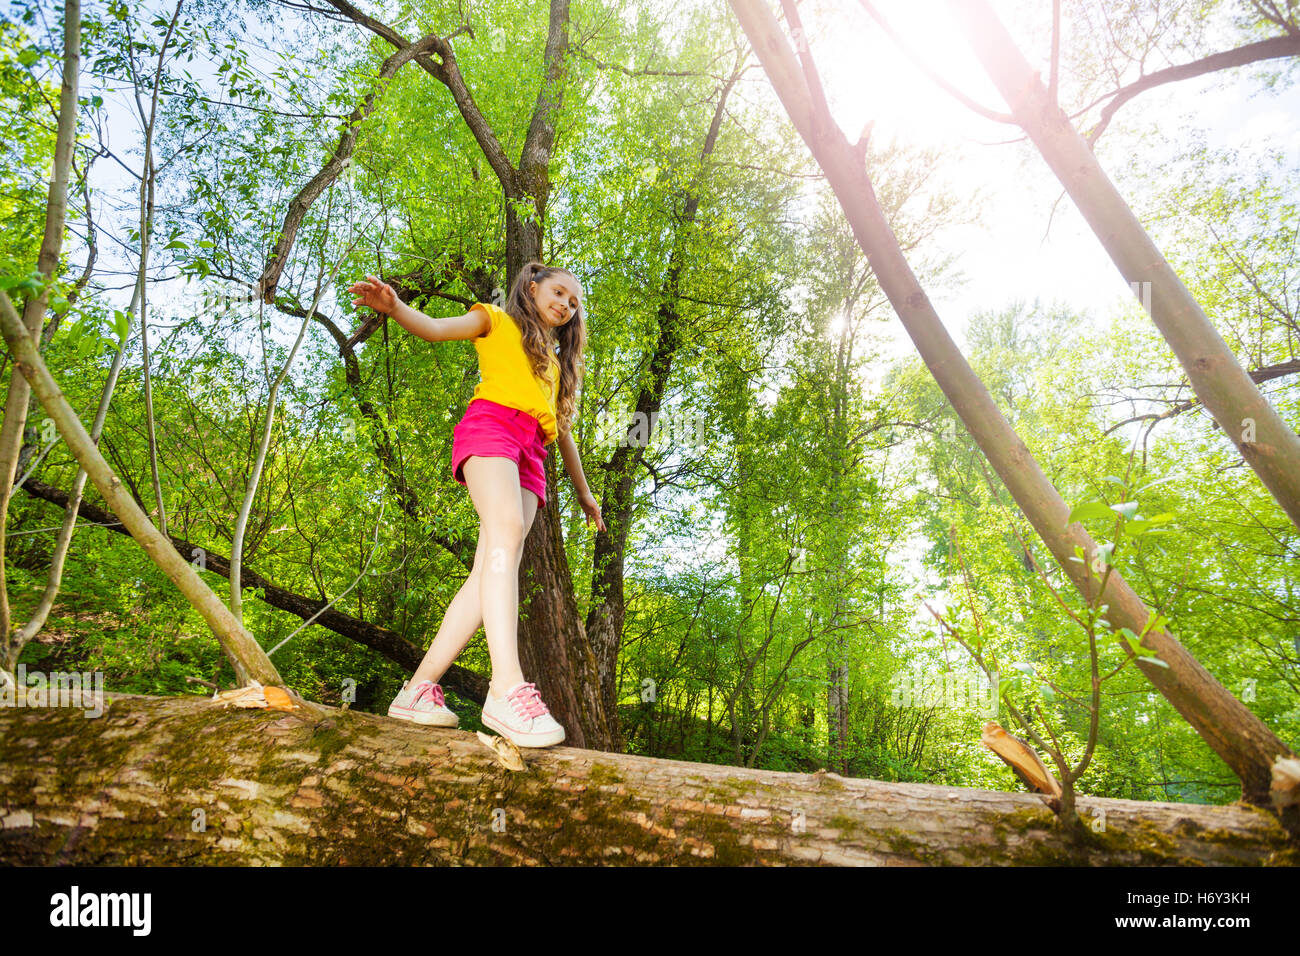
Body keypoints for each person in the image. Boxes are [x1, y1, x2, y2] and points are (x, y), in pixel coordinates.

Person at [346, 262, 606, 747]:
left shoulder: (554, 364)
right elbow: (436, 329)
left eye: (573, 304)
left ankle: (417, 690)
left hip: (533, 454)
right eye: (558, 292)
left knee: (490, 567)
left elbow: (563, 431)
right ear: (532, 288)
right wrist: (395, 306)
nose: (565, 305)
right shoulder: (495, 320)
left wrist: (585, 492)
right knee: (505, 533)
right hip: (492, 428)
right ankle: (506, 688)